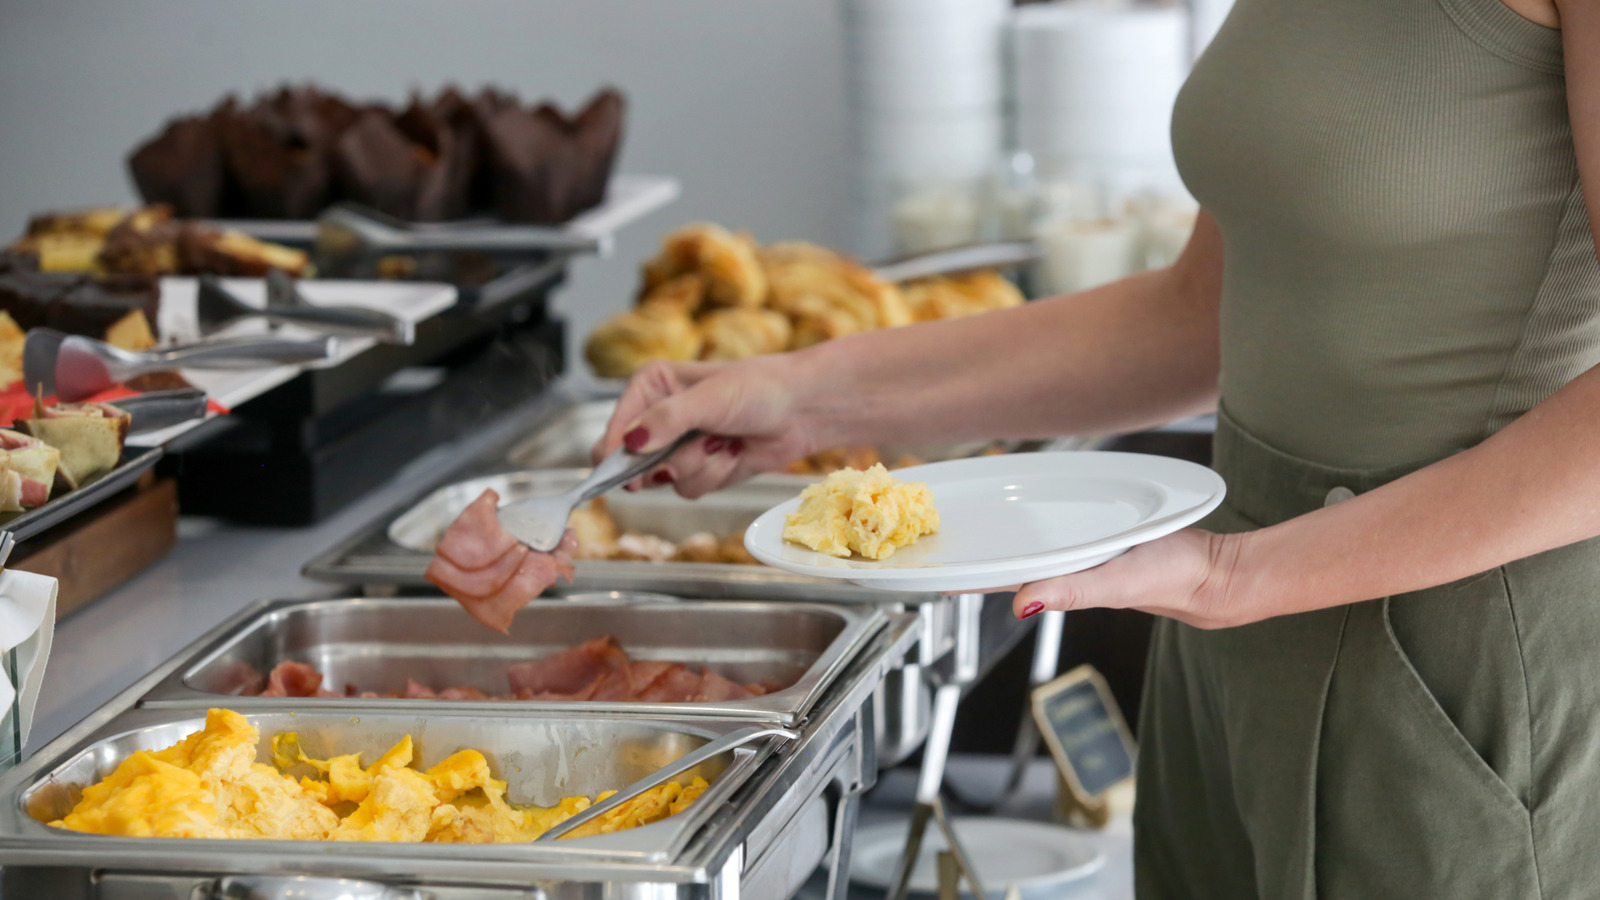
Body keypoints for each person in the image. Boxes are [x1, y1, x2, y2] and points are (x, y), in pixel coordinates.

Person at [595, 0, 1598, 895]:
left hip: (1452, 657)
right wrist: (805, 398)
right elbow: (1195, 316)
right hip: (1230, 620)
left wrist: (1238, 573)